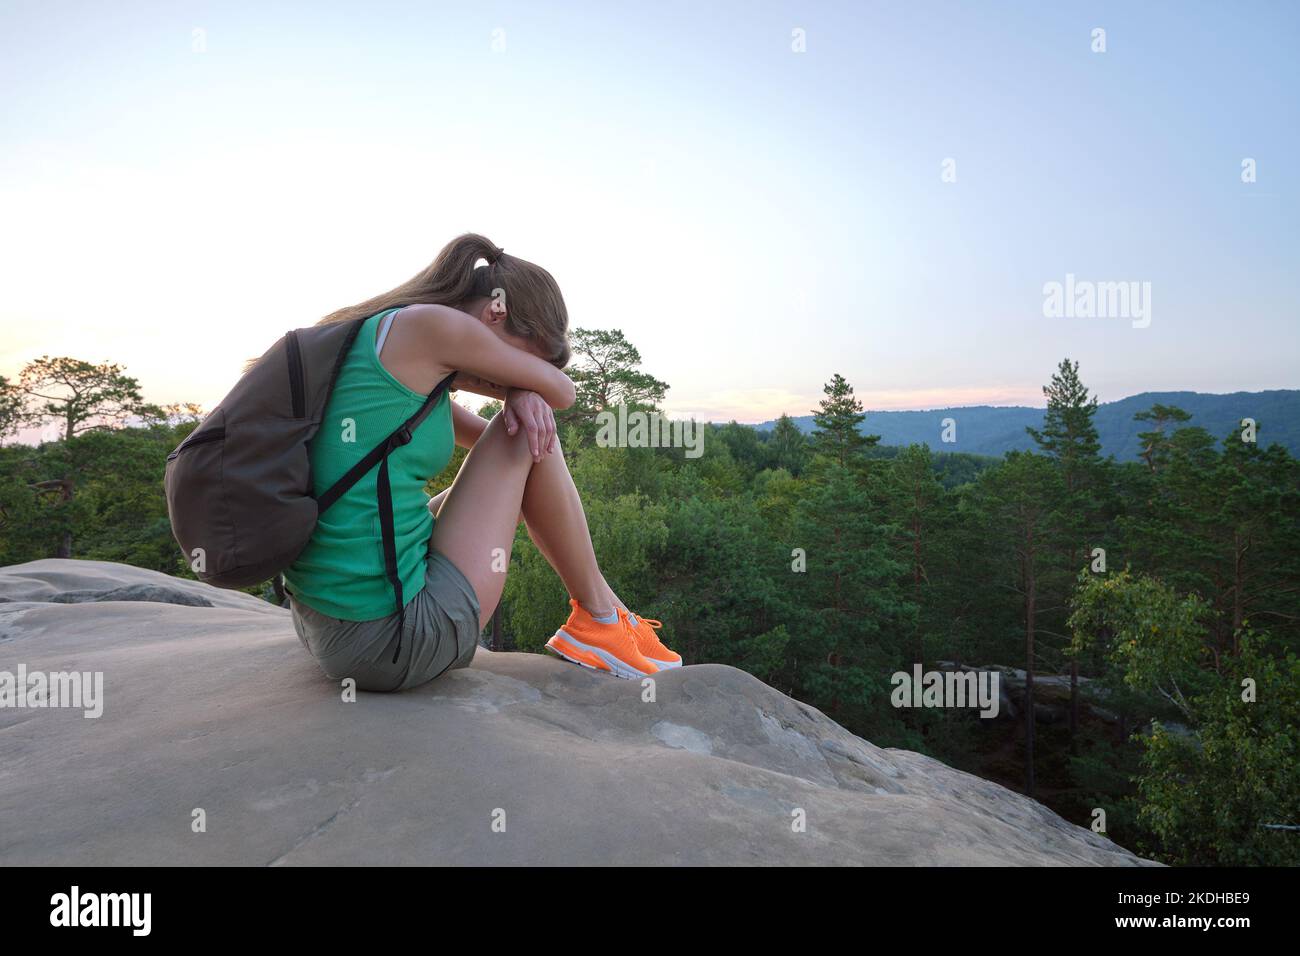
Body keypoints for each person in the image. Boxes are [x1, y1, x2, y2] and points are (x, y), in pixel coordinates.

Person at [282, 233, 680, 691]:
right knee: (534, 428)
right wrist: (524, 390)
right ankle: (600, 619)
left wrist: (514, 391)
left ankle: (611, 614)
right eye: (514, 358)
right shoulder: (435, 327)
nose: (504, 370)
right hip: (391, 641)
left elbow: (489, 445)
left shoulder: (379, 339)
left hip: (329, 629)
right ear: (496, 311)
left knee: (524, 431)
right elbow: (561, 393)